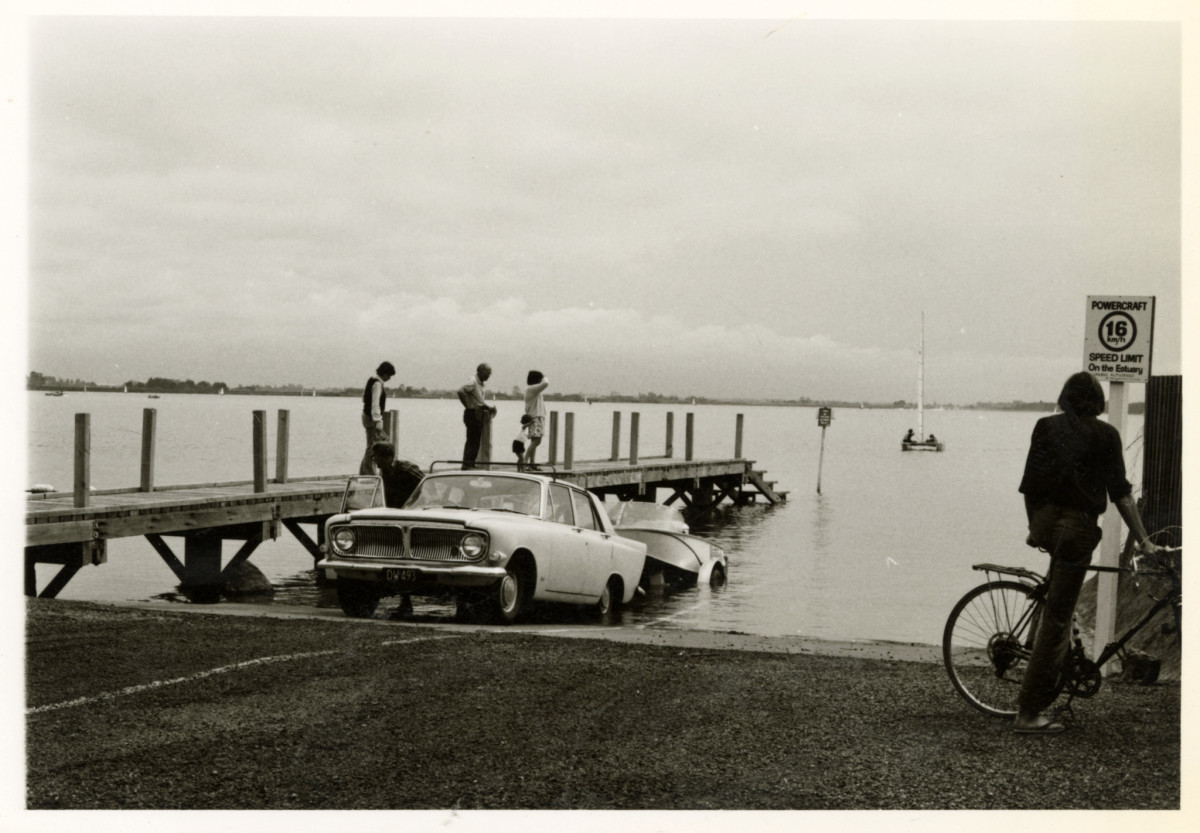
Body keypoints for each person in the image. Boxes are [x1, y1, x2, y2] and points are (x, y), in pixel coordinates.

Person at [1013, 371, 1161, 734]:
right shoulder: (1106, 435)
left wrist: (1035, 528)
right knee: (1058, 620)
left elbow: (1030, 486)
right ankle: (1028, 713)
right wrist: (1143, 541)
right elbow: (1121, 494)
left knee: (1055, 605)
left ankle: (1052, 676)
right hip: (1076, 529)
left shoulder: (1044, 426)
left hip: (1047, 523)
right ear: (1097, 402)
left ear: (1065, 397)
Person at [369, 441, 424, 618]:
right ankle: (404, 601)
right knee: (396, 559)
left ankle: (406, 601)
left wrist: (415, 506)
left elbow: (427, 486)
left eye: (376, 456)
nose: (374, 460)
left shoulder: (407, 470)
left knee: (408, 558)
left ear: (387, 457)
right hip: (395, 517)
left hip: (412, 516)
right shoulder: (383, 472)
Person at [457, 363, 496, 469]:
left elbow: (479, 401)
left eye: (490, 373)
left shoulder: (481, 384)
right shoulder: (473, 380)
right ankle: (467, 465)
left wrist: (488, 407)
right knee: (472, 440)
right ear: (480, 371)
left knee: (475, 440)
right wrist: (468, 406)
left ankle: (470, 463)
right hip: (472, 413)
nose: (488, 375)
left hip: (477, 413)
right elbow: (461, 391)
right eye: (487, 372)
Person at [359, 361, 395, 475]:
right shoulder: (378, 384)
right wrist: (378, 421)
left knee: (370, 446)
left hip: (366, 416)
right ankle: (369, 474)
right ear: (384, 373)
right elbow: (375, 404)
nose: (389, 378)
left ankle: (364, 473)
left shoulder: (371, 381)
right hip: (372, 419)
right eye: (389, 375)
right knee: (372, 448)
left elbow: (364, 399)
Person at [523, 370, 550, 470]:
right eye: (540, 379)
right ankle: (524, 463)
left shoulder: (533, 390)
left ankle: (531, 463)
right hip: (536, 417)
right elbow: (546, 383)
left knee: (534, 440)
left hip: (536, 417)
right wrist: (545, 377)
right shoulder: (531, 389)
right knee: (537, 441)